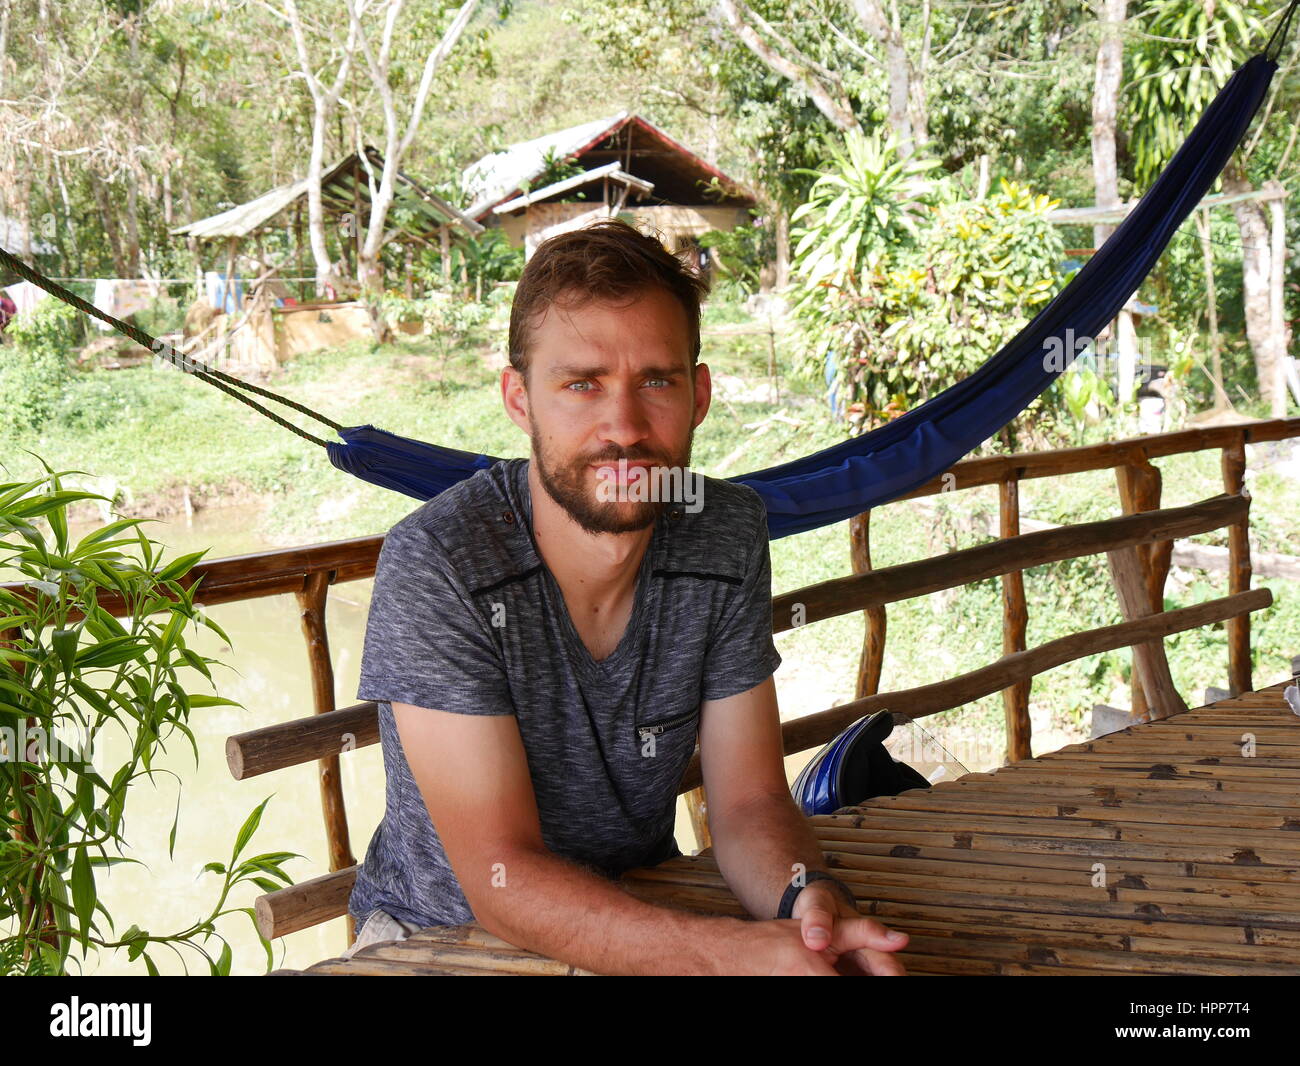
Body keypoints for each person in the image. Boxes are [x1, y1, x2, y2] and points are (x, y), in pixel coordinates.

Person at [345, 218, 910, 976]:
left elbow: (747, 806)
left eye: (657, 381)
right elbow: (500, 878)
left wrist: (805, 902)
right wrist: (732, 955)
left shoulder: (724, 533)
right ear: (520, 399)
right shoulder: (441, 564)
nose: (625, 427)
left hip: (642, 910)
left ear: (699, 393)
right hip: (436, 941)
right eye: (582, 384)